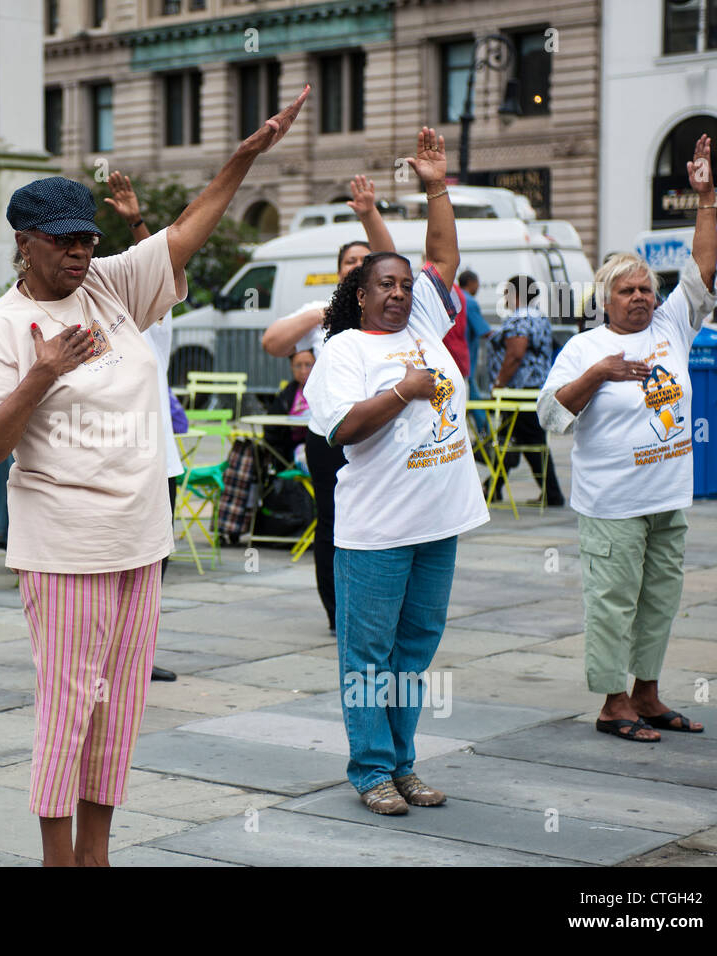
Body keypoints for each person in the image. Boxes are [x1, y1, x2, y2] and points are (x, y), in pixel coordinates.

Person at [0, 86, 310, 866]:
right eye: (61, 241)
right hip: (65, 546)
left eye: (86, 236)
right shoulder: (2, 327)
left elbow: (187, 231)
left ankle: (98, 853)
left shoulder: (110, 287)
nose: (79, 251)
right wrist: (41, 375)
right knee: (70, 708)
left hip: (139, 538)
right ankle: (60, 860)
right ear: (24, 242)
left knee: (118, 711)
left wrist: (246, 156)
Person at [308, 127, 488, 816]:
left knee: (413, 654)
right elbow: (343, 429)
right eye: (385, 284)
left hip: (436, 522)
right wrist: (402, 393)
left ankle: (403, 762)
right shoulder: (344, 351)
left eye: (405, 285)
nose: (399, 293)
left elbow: (442, 253)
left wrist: (436, 185)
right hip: (374, 531)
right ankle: (370, 770)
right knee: (368, 658)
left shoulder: (422, 324)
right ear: (359, 293)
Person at [537, 134, 717, 743]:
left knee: (659, 601)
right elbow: (550, 415)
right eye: (627, 290)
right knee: (613, 602)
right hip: (612, 503)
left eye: (646, 289)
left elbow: (704, 270)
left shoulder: (673, 327)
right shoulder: (583, 348)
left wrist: (704, 199)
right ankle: (614, 704)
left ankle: (647, 694)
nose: (640, 297)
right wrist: (597, 375)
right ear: (604, 299)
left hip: (668, 494)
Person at [261, 175, 392, 634]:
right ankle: (338, 614)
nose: (357, 266)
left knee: (379, 519)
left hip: (381, 435)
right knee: (332, 521)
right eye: (349, 262)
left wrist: (368, 213)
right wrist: (323, 313)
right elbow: (273, 343)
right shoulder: (323, 309)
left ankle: (376, 606)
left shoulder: (392, 309)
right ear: (339, 271)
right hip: (328, 435)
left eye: (364, 260)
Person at [104, 170, 179, 683]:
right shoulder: (95, 330)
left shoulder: (154, 326)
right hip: (112, 467)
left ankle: (138, 654)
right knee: (111, 567)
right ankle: (106, 655)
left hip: (160, 465)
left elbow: (159, 264)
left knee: (153, 568)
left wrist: (136, 222)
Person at [488, 274, 565, 507]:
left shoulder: (519, 319)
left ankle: (552, 494)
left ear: (515, 294)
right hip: (536, 388)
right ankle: (493, 488)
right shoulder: (540, 317)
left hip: (518, 390)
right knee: (514, 440)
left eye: (506, 294)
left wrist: (499, 382)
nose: (505, 300)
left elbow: (515, 354)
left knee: (523, 442)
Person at [263, 349, 314, 468]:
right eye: (298, 366)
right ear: (291, 367)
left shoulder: (325, 391)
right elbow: (271, 424)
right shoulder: (286, 395)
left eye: (308, 365)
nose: (303, 370)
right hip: (291, 447)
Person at [459, 269, 491, 433]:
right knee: (474, 398)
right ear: (471, 282)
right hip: (466, 361)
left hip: (457, 359)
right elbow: (484, 330)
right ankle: (485, 434)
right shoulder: (469, 302)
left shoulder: (455, 297)